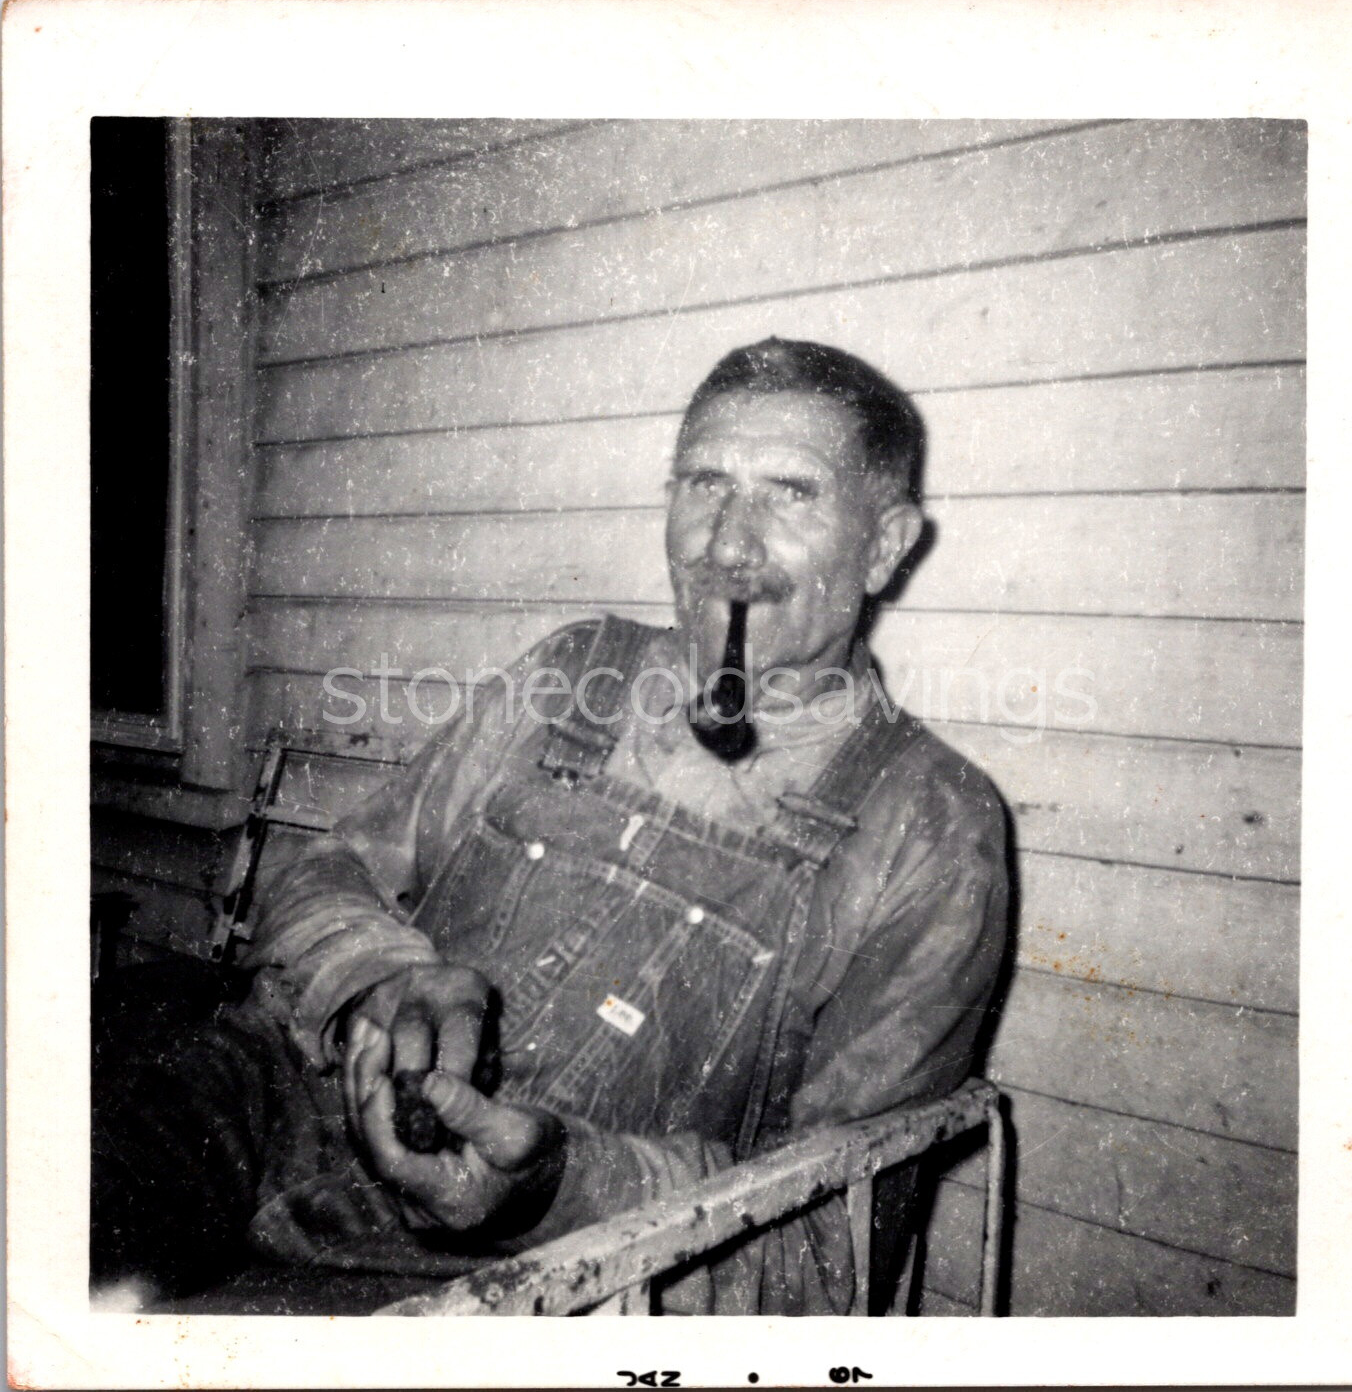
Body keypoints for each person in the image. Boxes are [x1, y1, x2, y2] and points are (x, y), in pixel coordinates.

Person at [91, 337, 1010, 1315]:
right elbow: (332, 867)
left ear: (882, 545)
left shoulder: (930, 829)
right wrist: (381, 975)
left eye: (789, 493)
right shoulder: (574, 671)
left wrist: (552, 1182)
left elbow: (821, 1262)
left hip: (514, 1276)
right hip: (270, 1101)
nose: (726, 545)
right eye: (703, 482)